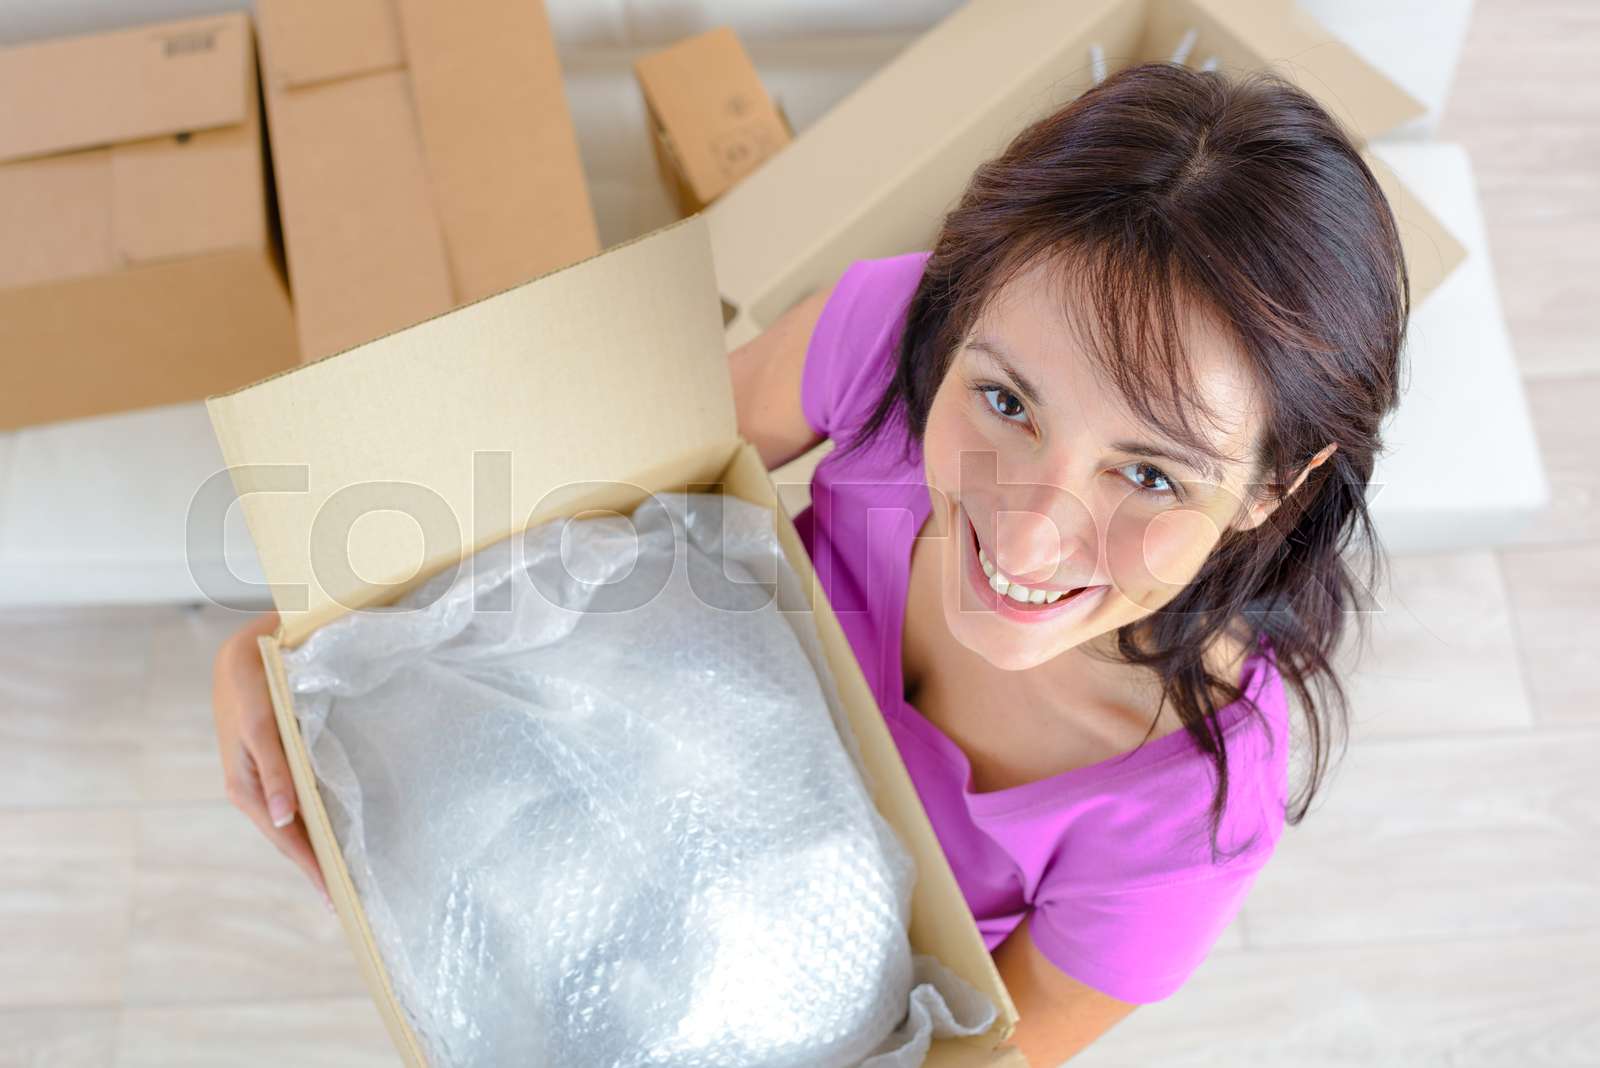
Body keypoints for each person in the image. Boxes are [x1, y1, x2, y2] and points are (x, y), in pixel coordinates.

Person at [212, 61, 1405, 1064]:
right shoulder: (889, 342)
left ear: (1270, 490)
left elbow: (984, 1049)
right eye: (1004, 400)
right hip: (591, 786)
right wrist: (292, 644)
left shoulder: (1181, 809)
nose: (1029, 538)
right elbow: (587, 476)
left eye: (1149, 475)